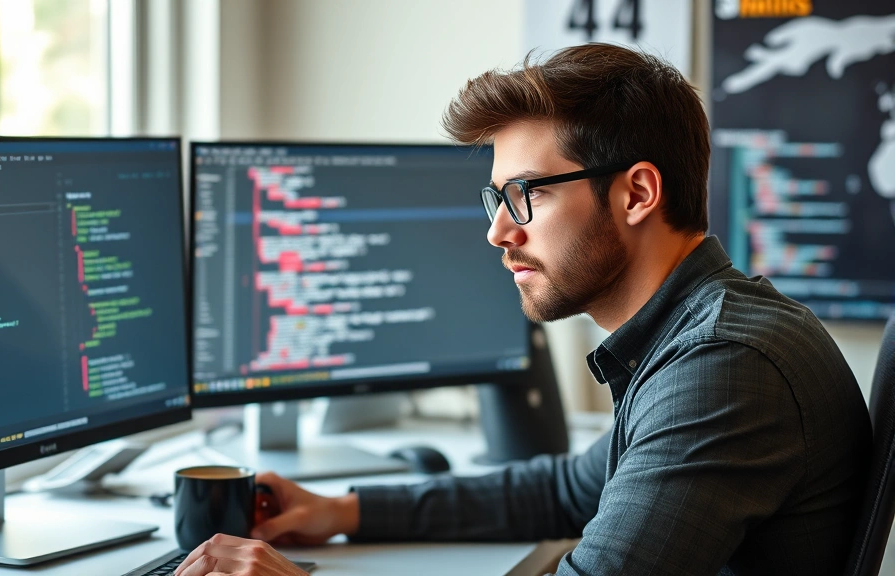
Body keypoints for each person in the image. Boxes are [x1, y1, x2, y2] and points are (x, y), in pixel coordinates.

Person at [174, 43, 871, 576]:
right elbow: (568, 491)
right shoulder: (697, 334)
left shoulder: (725, 368)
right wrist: (340, 510)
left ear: (636, 194)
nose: (498, 232)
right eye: (496, 199)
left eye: (524, 195)